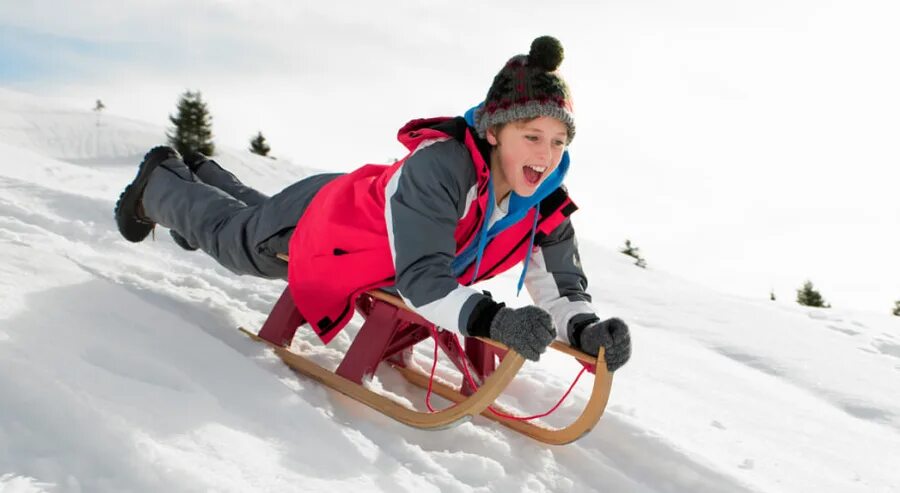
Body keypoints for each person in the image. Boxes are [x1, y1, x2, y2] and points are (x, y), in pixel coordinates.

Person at [114, 36, 631, 370]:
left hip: (370, 231)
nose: (546, 154)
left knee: (248, 221)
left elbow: (560, 284)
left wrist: (586, 330)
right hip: (328, 223)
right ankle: (159, 184)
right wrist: (493, 322)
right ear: (494, 131)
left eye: (559, 141)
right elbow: (424, 281)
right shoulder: (442, 168)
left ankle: (204, 175)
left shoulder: (545, 203)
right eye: (532, 135)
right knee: (237, 242)